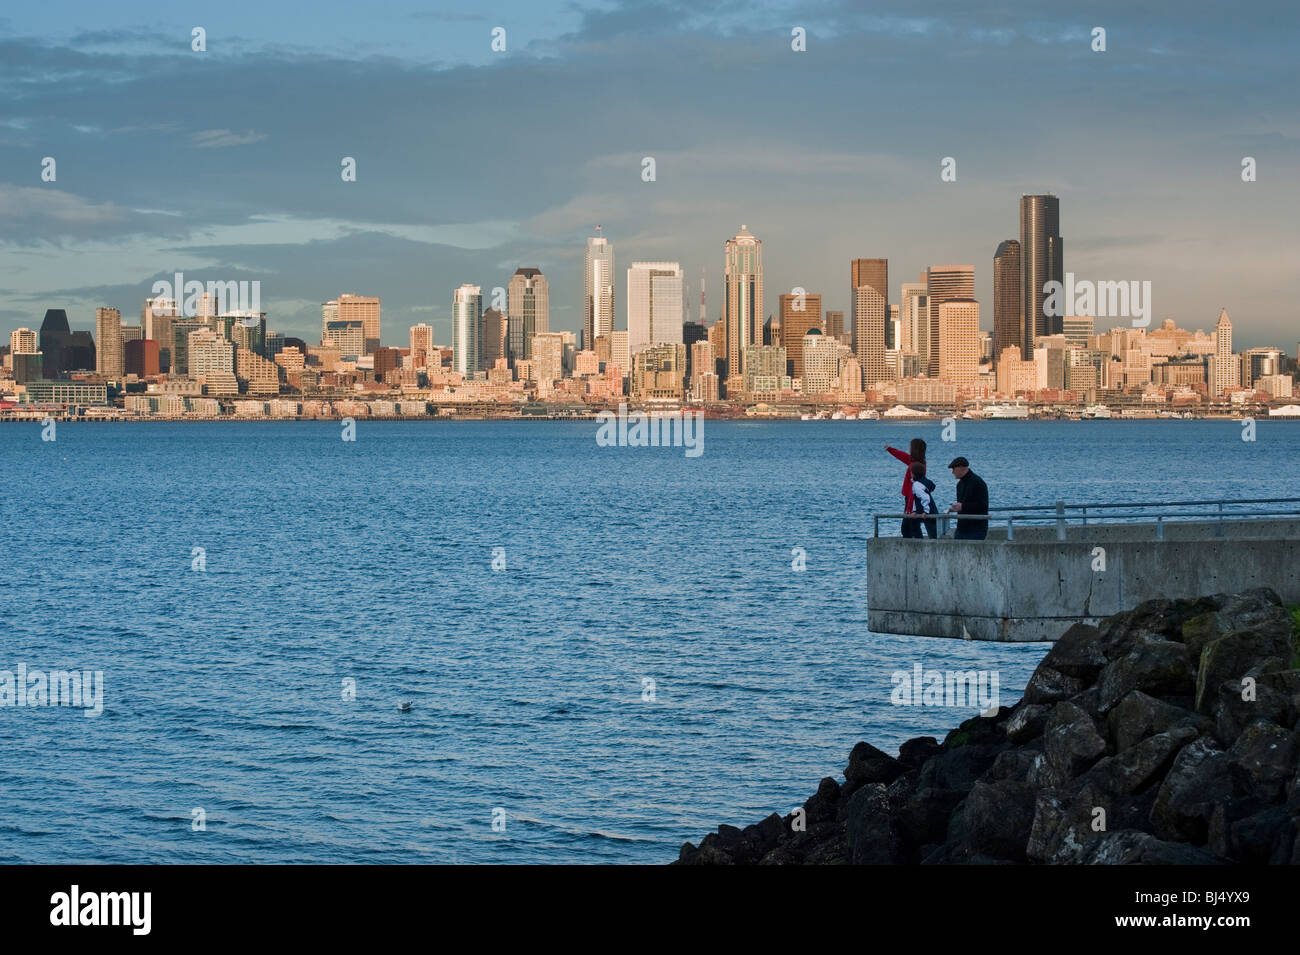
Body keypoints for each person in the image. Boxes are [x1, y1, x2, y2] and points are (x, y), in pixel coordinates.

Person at [885, 439, 927, 537]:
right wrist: (890, 449)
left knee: (908, 527)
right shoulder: (918, 463)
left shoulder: (915, 465)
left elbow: (914, 488)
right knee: (912, 526)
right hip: (911, 497)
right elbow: (902, 455)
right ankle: (917, 545)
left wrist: (910, 509)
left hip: (912, 498)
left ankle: (917, 547)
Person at [947, 457, 989, 540]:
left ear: (961, 468)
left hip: (977, 528)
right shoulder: (959, 484)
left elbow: (983, 506)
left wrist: (963, 507)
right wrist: (957, 508)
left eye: (953, 469)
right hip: (961, 528)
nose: (952, 472)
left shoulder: (978, 482)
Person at [909, 461, 939, 539]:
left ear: (913, 473)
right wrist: (914, 511)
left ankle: (921, 544)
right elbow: (917, 499)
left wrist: (926, 511)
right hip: (932, 510)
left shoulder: (917, 485)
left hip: (928, 513)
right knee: (933, 532)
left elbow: (925, 498)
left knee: (932, 534)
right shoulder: (924, 482)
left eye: (911, 472)